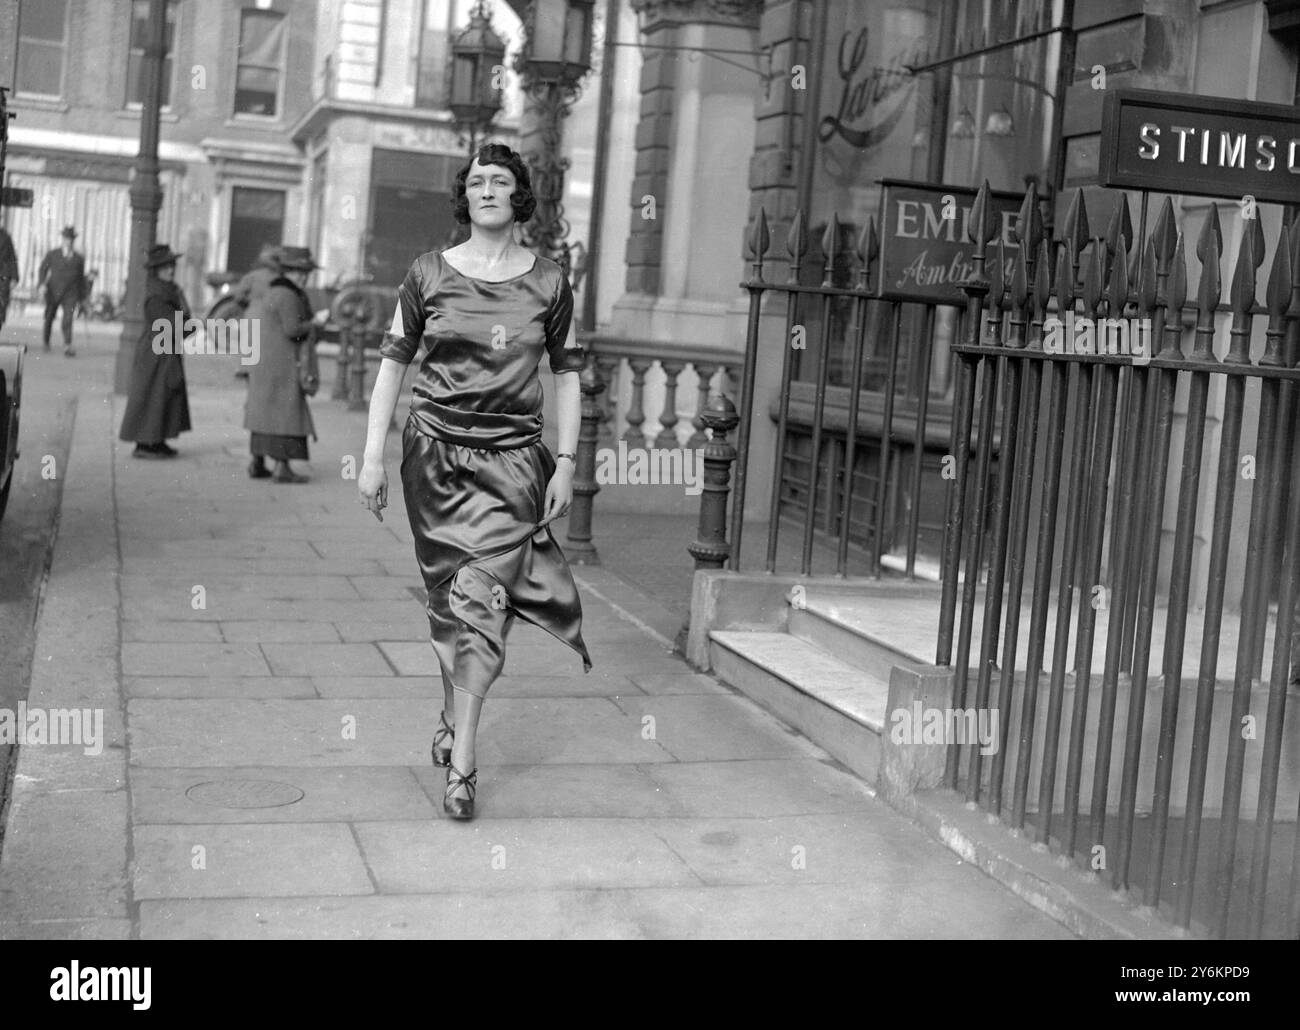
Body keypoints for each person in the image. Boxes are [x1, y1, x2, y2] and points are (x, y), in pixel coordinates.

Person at [358, 143, 591, 821]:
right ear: (467, 196)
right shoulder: (428, 272)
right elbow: (391, 366)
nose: (488, 189)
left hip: (513, 464)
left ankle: (463, 760)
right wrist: (371, 458)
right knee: (446, 603)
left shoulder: (549, 282)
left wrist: (568, 464)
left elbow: (569, 373)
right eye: (478, 181)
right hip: (432, 458)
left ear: (521, 197)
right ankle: (447, 705)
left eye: (502, 181)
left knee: (483, 600)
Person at [243, 245, 321, 482]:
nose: (304, 277)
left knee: (263, 413)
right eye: (300, 272)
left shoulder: (272, 291)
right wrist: (316, 324)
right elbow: (293, 329)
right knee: (286, 414)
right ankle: (282, 468)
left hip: (265, 360)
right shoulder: (288, 295)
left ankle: (257, 462)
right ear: (290, 272)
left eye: (305, 272)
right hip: (282, 364)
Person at [119, 244, 192, 459]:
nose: (171, 270)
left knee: (165, 395)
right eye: (165, 266)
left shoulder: (168, 290)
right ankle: (144, 444)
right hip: (156, 353)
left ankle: (157, 440)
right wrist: (189, 323)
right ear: (156, 270)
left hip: (164, 350)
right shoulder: (157, 295)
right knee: (153, 395)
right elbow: (172, 325)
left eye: (172, 265)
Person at [38, 226, 87, 355]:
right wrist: (42, 284)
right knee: (49, 317)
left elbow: (81, 278)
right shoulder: (53, 254)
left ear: (73, 240)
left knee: (68, 318)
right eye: (66, 238)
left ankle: (67, 345)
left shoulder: (78, 259)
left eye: (71, 239)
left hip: (70, 294)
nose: (68, 241)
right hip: (53, 292)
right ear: (63, 239)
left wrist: (82, 297)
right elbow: (43, 269)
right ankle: (46, 342)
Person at [0, 224, 18, 335]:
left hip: (3, 276)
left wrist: (15, 277)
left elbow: (12, 257)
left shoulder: (5, 237)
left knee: (1, 305)